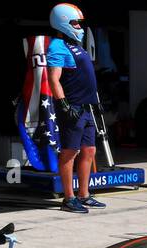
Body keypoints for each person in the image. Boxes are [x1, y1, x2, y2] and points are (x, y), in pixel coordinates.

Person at [45, 3, 104, 213]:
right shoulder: (57, 46)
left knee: (89, 150)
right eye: (75, 23)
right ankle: (69, 198)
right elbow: (54, 79)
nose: (78, 27)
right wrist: (63, 104)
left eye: (79, 23)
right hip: (73, 107)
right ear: (62, 22)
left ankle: (84, 194)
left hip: (87, 107)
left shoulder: (77, 45)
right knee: (70, 151)